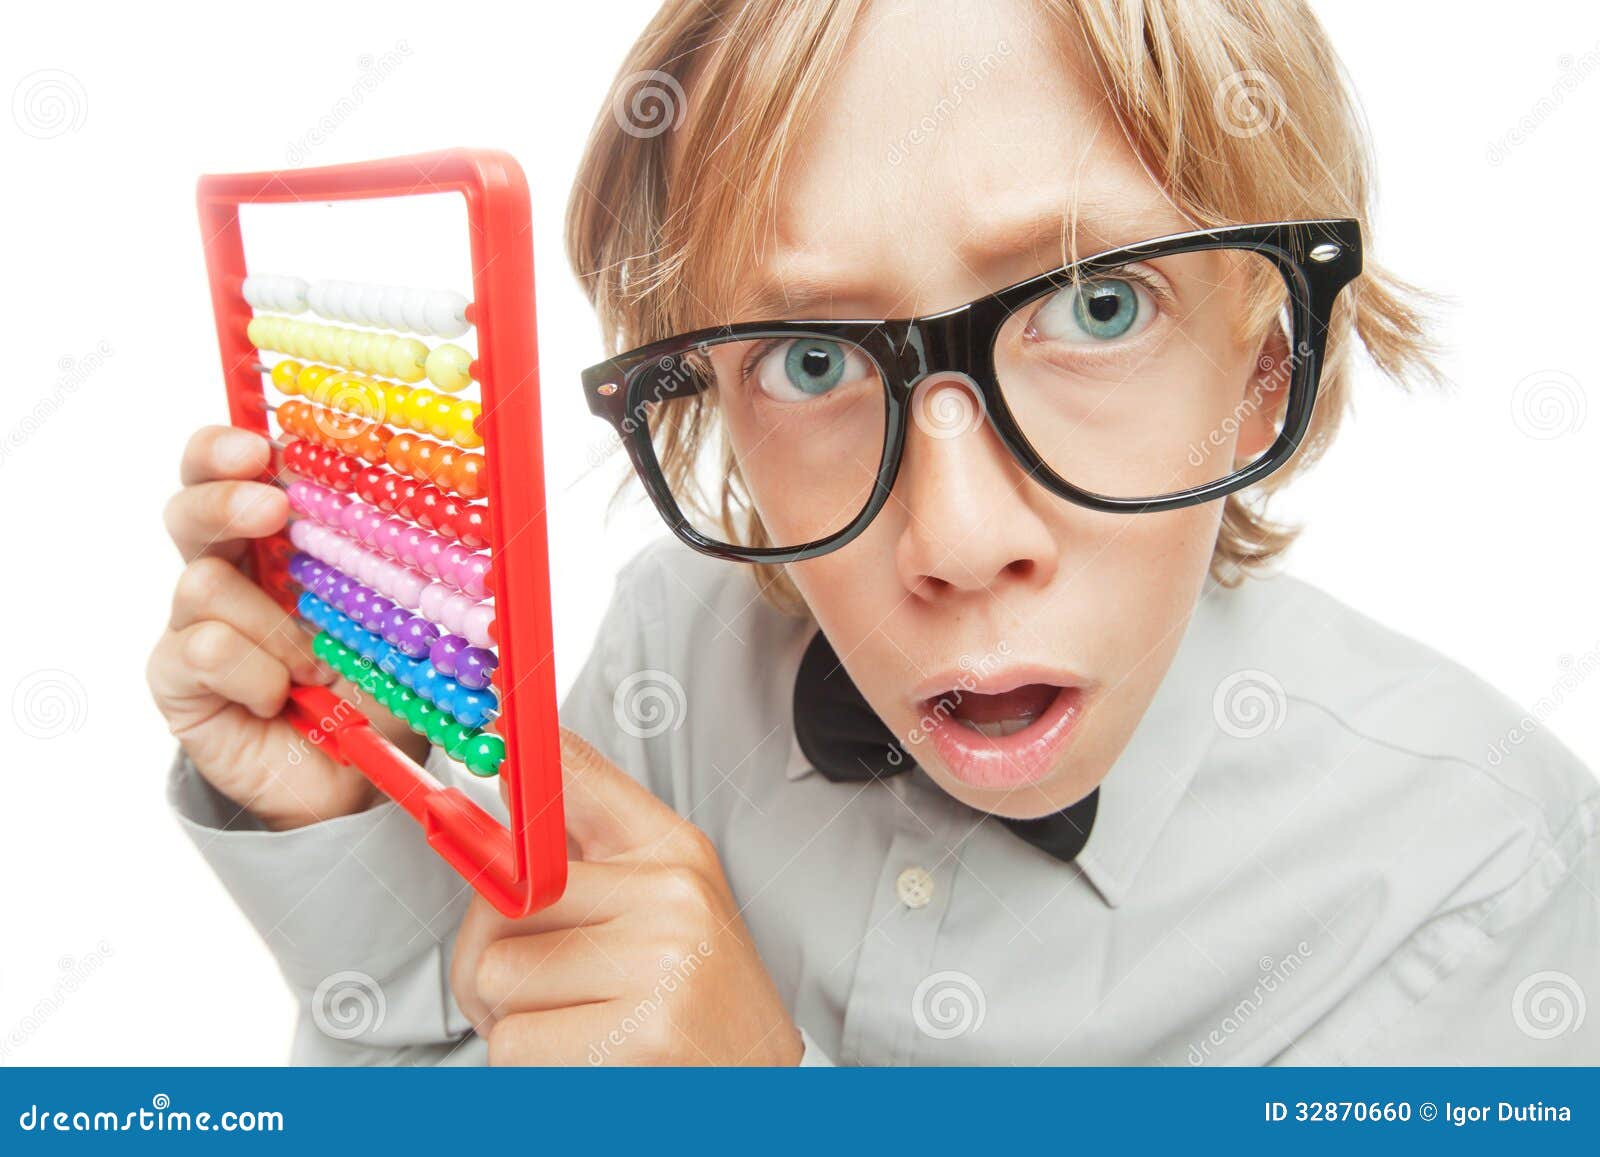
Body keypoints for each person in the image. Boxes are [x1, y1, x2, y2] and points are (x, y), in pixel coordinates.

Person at [150, 0, 1599, 1065]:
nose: (958, 539)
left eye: (1098, 307)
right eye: (812, 359)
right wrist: (342, 828)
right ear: (707, 398)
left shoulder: (1479, 871)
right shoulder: (676, 658)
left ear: (1260, 369)